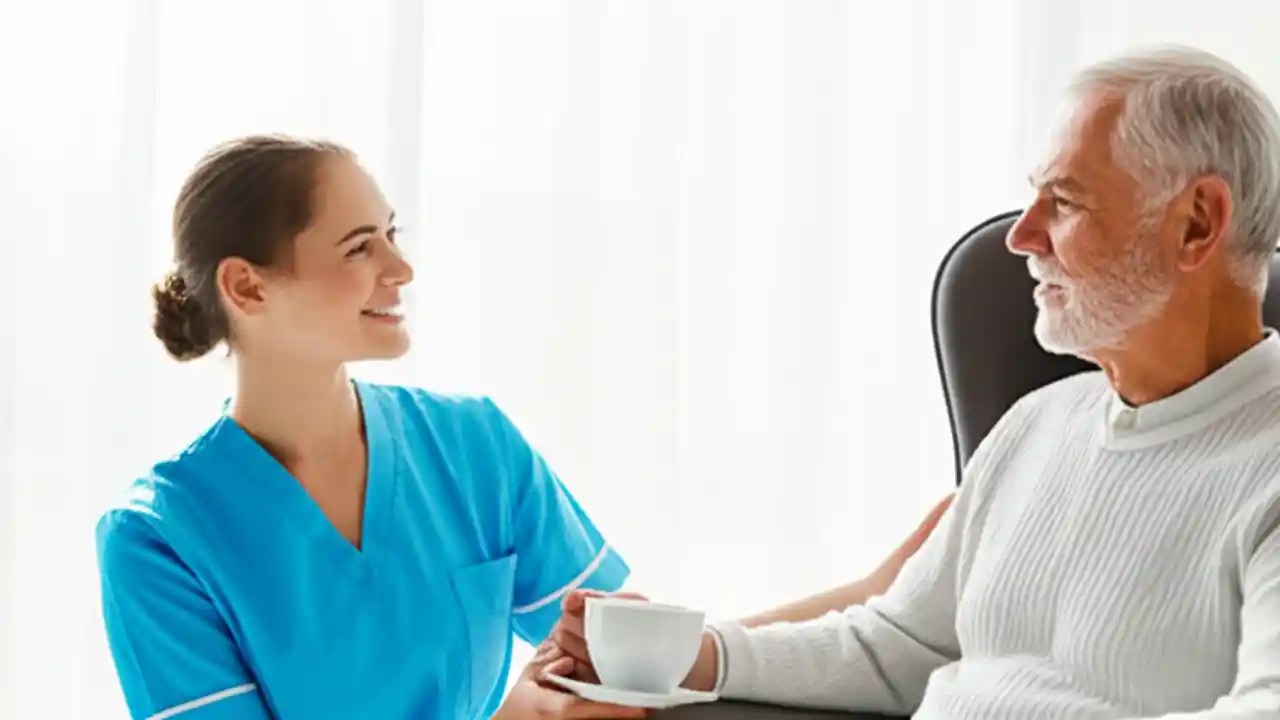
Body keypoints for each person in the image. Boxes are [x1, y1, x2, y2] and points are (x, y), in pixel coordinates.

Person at [95, 135, 953, 720]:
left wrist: (876, 595)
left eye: (393, 234)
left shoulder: (471, 447)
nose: (402, 268)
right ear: (247, 287)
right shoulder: (159, 539)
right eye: (360, 247)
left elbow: (643, 660)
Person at [564, 46, 1280, 718]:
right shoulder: (1038, 423)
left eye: (1063, 202)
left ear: (1196, 224)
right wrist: (687, 656)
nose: (1020, 236)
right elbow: (896, 647)